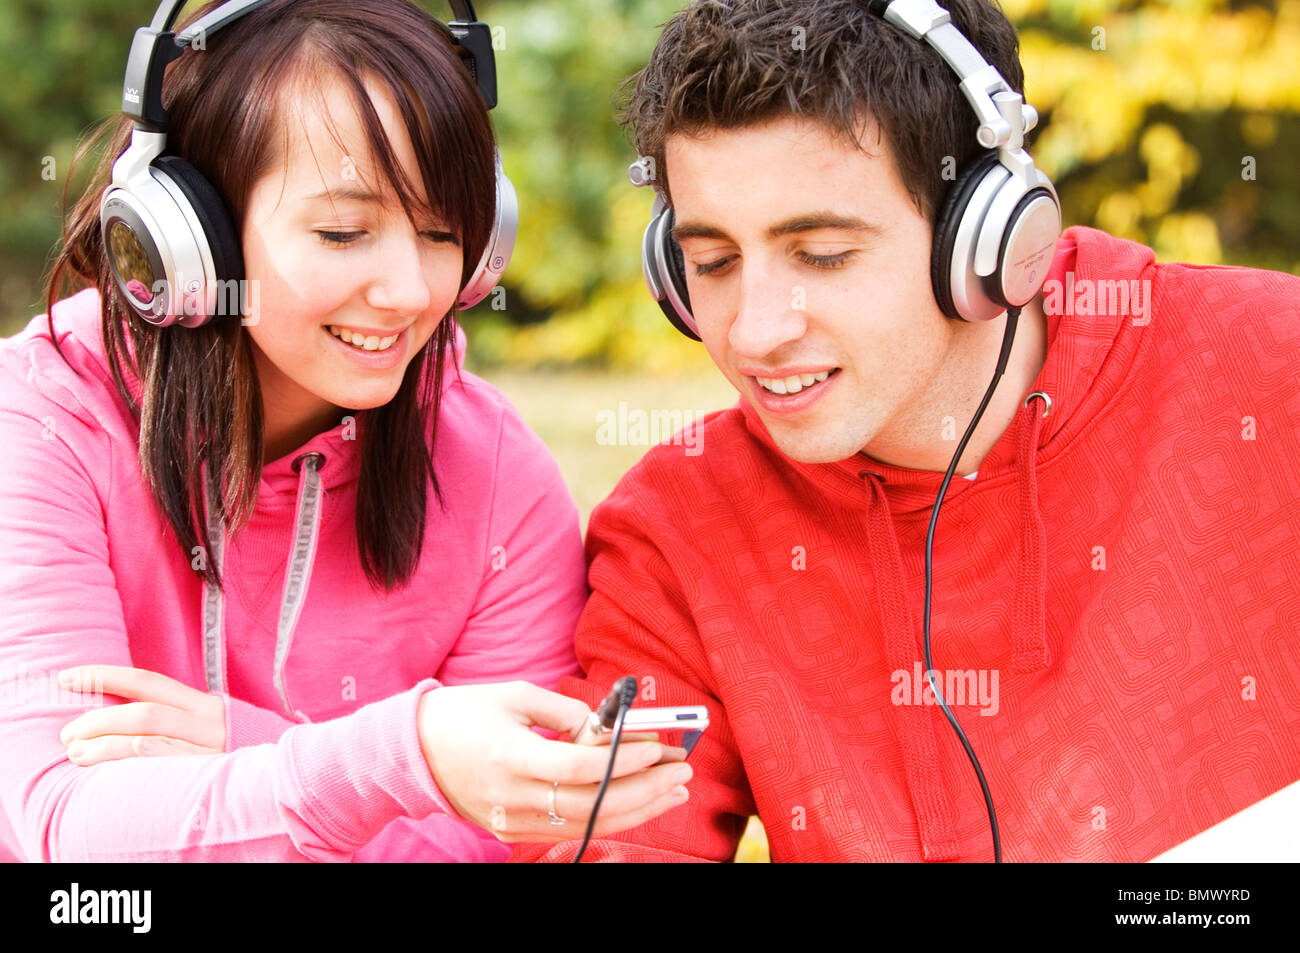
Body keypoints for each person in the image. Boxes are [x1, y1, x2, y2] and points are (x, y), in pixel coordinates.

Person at [513, 0, 1300, 862]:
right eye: (713, 263)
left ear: (989, 238)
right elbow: (616, 846)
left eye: (822, 255)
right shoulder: (679, 523)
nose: (753, 331)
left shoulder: (1272, 368)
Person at [0, 0, 691, 863]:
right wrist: (408, 757)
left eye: (442, 232)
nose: (407, 291)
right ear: (192, 233)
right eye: (341, 231)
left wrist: (244, 743)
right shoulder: (36, 426)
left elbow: (501, 847)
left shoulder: (501, 479)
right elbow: (72, 837)